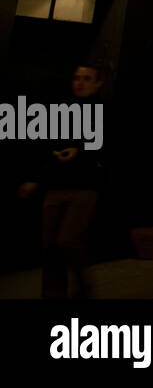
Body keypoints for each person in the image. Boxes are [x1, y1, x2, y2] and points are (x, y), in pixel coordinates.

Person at [17, 65, 108, 299]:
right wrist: (35, 179)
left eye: (87, 79)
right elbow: (47, 146)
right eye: (77, 78)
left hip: (84, 188)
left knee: (67, 240)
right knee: (49, 246)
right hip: (55, 187)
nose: (80, 83)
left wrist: (80, 152)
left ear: (98, 84)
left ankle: (83, 289)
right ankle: (53, 294)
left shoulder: (103, 111)